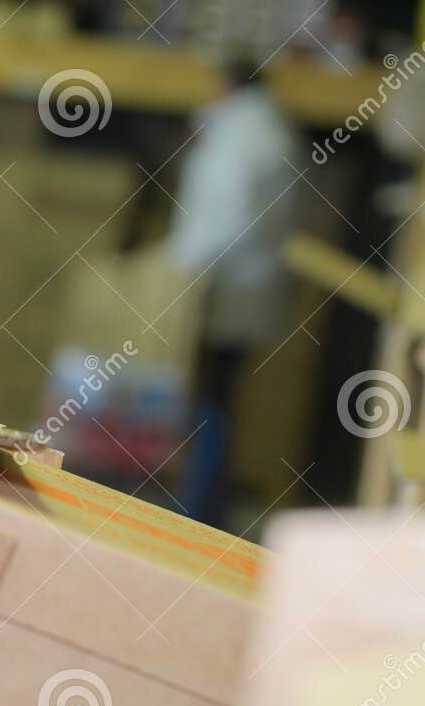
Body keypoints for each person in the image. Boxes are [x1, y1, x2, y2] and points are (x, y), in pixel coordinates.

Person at [167, 53, 298, 526]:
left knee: (209, 401)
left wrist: (175, 268)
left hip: (223, 287)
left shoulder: (241, 138)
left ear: (226, 83)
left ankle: (197, 509)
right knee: (217, 399)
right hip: (244, 288)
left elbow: (228, 219)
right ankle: (202, 503)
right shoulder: (267, 130)